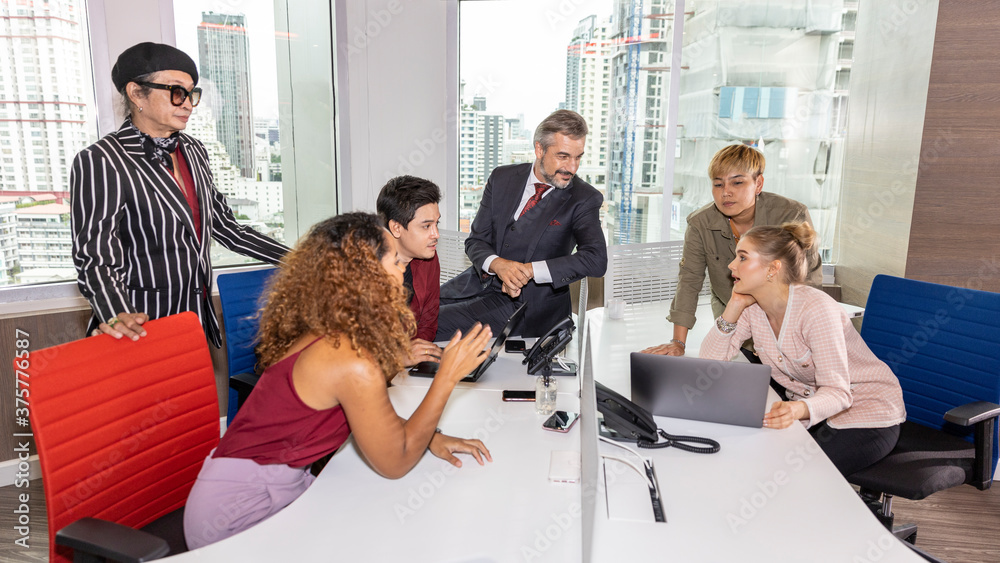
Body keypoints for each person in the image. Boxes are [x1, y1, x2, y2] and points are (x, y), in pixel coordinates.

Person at [183, 212, 493, 548]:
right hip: (238, 514)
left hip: (269, 490)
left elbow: (370, 417)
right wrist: (446, 378)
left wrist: (430, 437)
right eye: (393, 258)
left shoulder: (331, 332)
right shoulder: (351, 359)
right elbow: (396, 461)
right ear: (366, 275)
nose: (402, 263)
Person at [70, 42, 288, 347]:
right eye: (176, 92)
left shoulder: (194, 150)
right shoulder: (102, 159)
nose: (187, 103)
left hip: (196, 318)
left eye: (191, 93)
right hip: (139, 325)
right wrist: (118, 314)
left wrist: (295, 259)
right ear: (136, 93)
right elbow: (96, 257)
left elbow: (228, 229)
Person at [699, 222, 905, 476]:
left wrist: (797, 409)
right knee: (756, 461)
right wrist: (733, 306)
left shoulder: (816, 311)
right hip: (815, 411)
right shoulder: (753, 308)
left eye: (742, 257)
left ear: (773, 269)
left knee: (796, 476)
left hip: (866, 412)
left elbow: (839, 394)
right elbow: (709, 361)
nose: (731, 265)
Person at [436, 109, 607, 339]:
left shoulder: (584, 198)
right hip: (475, 286)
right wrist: (497, 265)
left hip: (527, 309)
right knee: (406, 310)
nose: (572, 168)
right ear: (539, 149)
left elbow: (596, 259)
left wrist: (528, 271)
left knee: (422, 323)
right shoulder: (501, 178)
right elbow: (476, 241)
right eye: (563, 156)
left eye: (578, 157)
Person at [643, 144, 821, 359]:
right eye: (718, 184)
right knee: (733, 371)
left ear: (758, 183)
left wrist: (785, 330)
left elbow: (808, 279)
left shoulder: (790, 214)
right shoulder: (701, 223)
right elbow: (690, 280)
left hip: (784, 316)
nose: (726, 192)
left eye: (737, 182)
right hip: (732, 309)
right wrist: (678, 343)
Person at [376, 175, 443, 366]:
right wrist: (397, 358)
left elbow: (429, 323)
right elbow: (346, 350)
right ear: (396, 228)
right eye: (426, 226)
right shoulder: (366, 271)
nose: (436, 234)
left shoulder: (428, 258)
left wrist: (416, 353)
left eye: (437, 224)